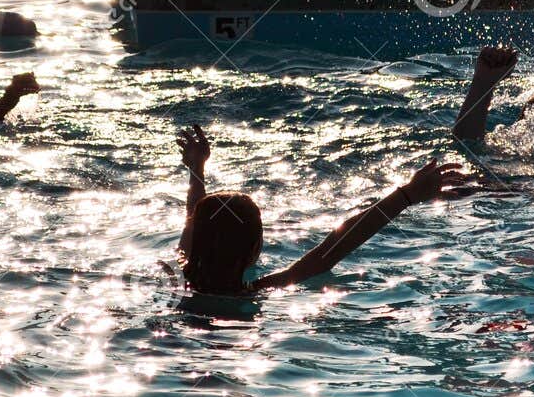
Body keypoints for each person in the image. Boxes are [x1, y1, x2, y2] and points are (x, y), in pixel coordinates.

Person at [175, 125, 470, 295]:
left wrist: (196, 169)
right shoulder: (261, 289)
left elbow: (193, 225)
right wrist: (407, 195)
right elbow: (337, 245)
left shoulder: (180, 279)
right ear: (255, 250)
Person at [454, 45, 534, 158]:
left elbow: (467, 145)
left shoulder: (508, 157)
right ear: (521, 130)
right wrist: (483, 83)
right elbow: (466, 143)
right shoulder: (509, 153)